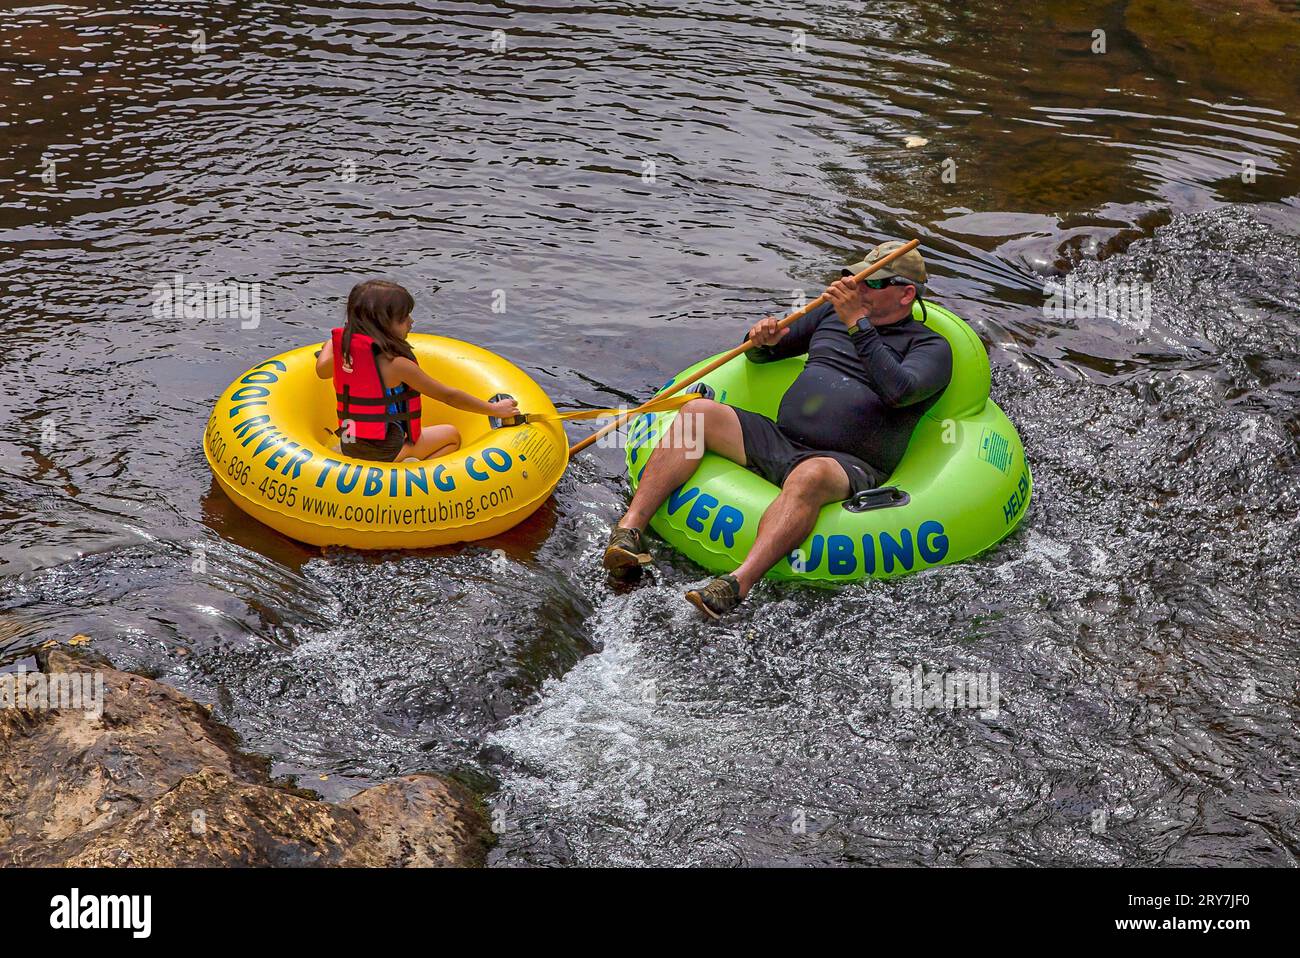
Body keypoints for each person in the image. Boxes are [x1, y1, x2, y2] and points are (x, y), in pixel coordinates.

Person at [603, 241, 953, 618]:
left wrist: (857, 325)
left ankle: (737, 583)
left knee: (810, 474)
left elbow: (899, 391)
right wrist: (762, 338)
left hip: (848, 463)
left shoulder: (931, 347)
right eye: (853, 276)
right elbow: (765, 350)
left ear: (906, 295)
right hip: (782, 440)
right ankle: (629, 532)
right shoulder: (829, 316)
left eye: (872, 282)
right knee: (697, 412)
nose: (856, 286)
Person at [314, 279, 518, 462]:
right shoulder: (396, 365)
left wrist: (332, 344)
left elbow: (321, 370)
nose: (411, 321)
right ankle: (409, 470)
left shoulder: (342, 353)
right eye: (403, 318)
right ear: (382, 324)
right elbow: (449, 396)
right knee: (451, 436)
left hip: (351, 445)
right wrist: (494, 409)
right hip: (388, 452)